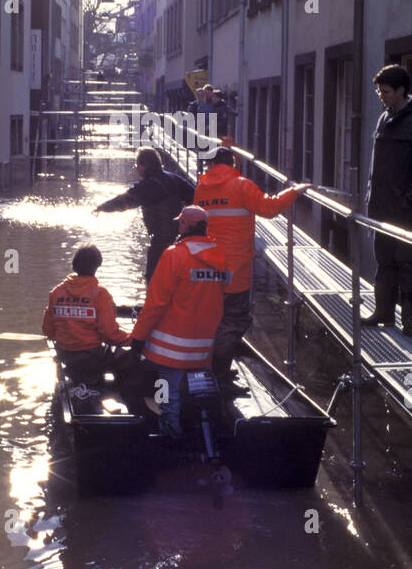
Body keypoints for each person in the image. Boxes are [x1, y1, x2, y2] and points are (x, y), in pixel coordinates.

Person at [193, 147, 309, 380]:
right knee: (236, 319)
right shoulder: (242, 185)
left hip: (207, 267)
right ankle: (219, 370)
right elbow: (269, 208)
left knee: (211, 318)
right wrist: (295, 191)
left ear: (213, 165)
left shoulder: (201, 189)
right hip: (236, 269)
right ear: (232, 164)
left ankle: (205, 365)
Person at [129, 206, 231, 436]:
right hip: (203, 347)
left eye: (180, 223)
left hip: (170, 349)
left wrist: (138, 338)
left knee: (165, 390)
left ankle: (169, 432)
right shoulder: (221, 256)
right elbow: (223, 293)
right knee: (199, 392)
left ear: (186, 226)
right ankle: (203, 433)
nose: (178, 227)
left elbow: (155, 304)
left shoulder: (174, 255)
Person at [362, 65, 412, 337]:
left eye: (385, 91)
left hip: (407, 212)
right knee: (384, 263)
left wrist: (410, 200)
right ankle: (383, 312)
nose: (380, 96)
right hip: (382, 208)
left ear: (400, 91)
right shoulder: (384, 119)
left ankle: (407, 320)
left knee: (407, 265)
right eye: (378, 91)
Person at [92, 147, 194, 282]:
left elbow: (125, 201)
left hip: (161, 241)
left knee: (154, 279)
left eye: (138, 164)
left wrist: (102, 208)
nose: (137, 168)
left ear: (145, 165)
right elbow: (194, 196)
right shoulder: (175, 178)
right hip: (181, 238)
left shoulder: (148, 185)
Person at [42, 243, 130, 386]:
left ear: (75, 264)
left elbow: (48, 330)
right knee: (129, 360)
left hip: (65, 355)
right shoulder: (101, 294)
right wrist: (132, 339)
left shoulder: (56, 292)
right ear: (97, 266)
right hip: (91, 356)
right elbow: (109, 334)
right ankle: (124, 393)